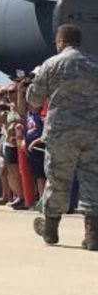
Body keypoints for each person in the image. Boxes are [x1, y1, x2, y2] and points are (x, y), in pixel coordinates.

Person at [27, 23, 98, 249]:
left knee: (58, 180)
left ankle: (50, 229)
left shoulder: (52, 64)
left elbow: (34, 99)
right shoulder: (94, 63)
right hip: (93, 131)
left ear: (60, 42)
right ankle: (93, 234)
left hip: (62, 133)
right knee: (93, 179)